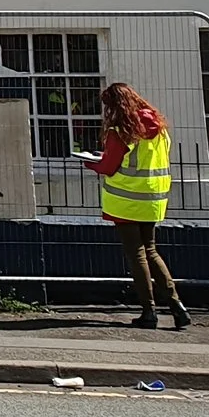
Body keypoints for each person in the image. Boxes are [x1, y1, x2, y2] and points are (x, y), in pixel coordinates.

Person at [82, 82, 189, 329]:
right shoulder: (160, 130)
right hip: (152, 198)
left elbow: (109, 167)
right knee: (151, 250)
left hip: (126, 201)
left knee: (137, 254)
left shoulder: (120, 132)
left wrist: (91, 163)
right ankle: (176, 305)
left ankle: (148, 311)